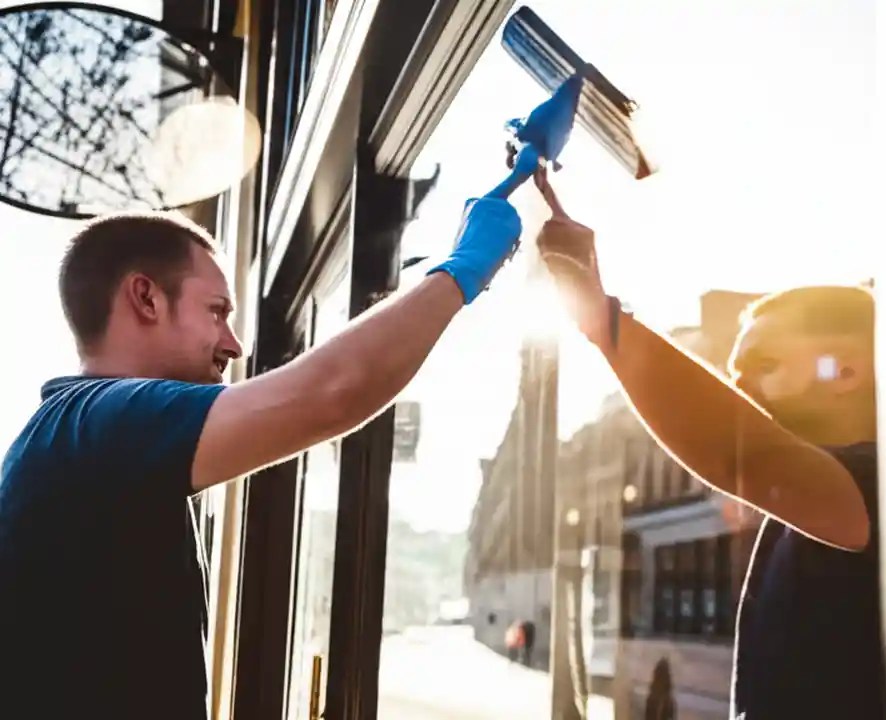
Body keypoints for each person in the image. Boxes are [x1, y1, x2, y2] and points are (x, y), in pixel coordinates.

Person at [0, 198, 523, 719]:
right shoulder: (104, 423)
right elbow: (333, 391)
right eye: (217, 312)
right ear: (146, 298)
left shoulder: (81, 436)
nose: (235, 344)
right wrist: (463, 268)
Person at [531, 170, 886, 718]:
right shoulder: (818, 507)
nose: (740, 388)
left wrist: (600, 319)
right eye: (735, 373)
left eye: (764, 366)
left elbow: (733, 451)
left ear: (845, 371)